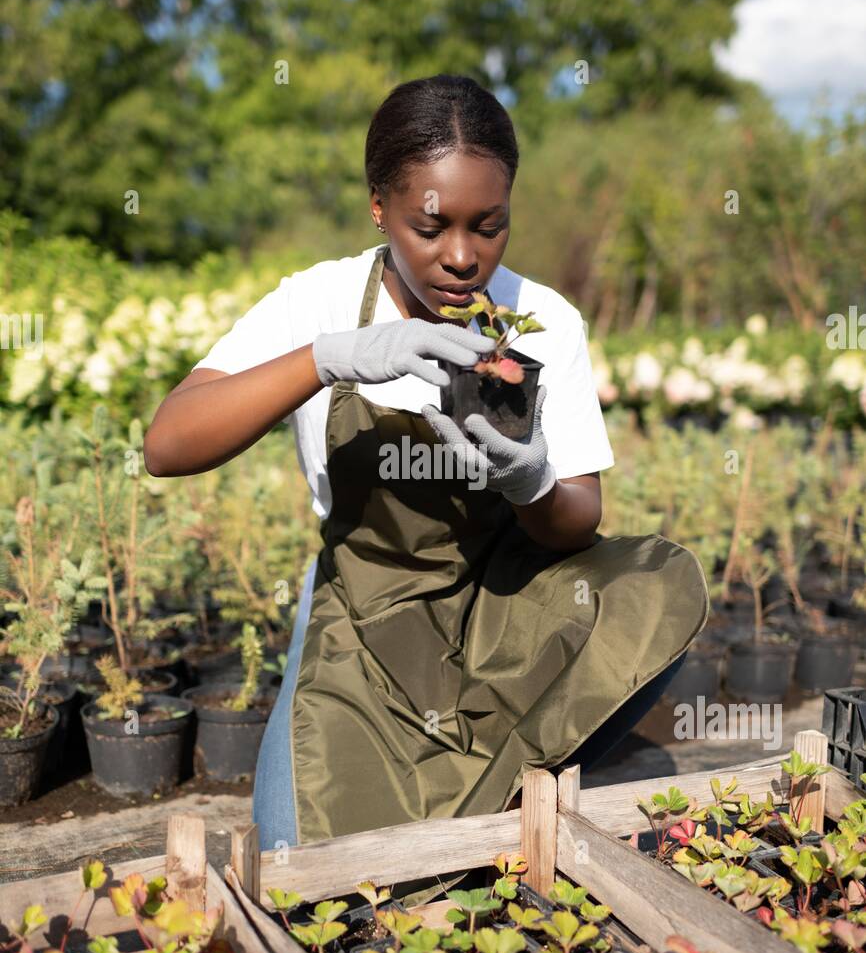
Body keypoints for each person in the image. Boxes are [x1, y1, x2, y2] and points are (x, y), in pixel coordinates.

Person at [144, 74, 708, 859]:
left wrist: (532, 480)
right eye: (430, 227)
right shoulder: (324, 302)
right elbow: (167, 444)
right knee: (295, 852)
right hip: (365, 594)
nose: (463, 257)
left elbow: (580, 517)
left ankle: (503, 793)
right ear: (380, 206)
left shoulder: (541, 322)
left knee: (650, 592)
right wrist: (327, 359)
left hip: (503, 592)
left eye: (490, 226)